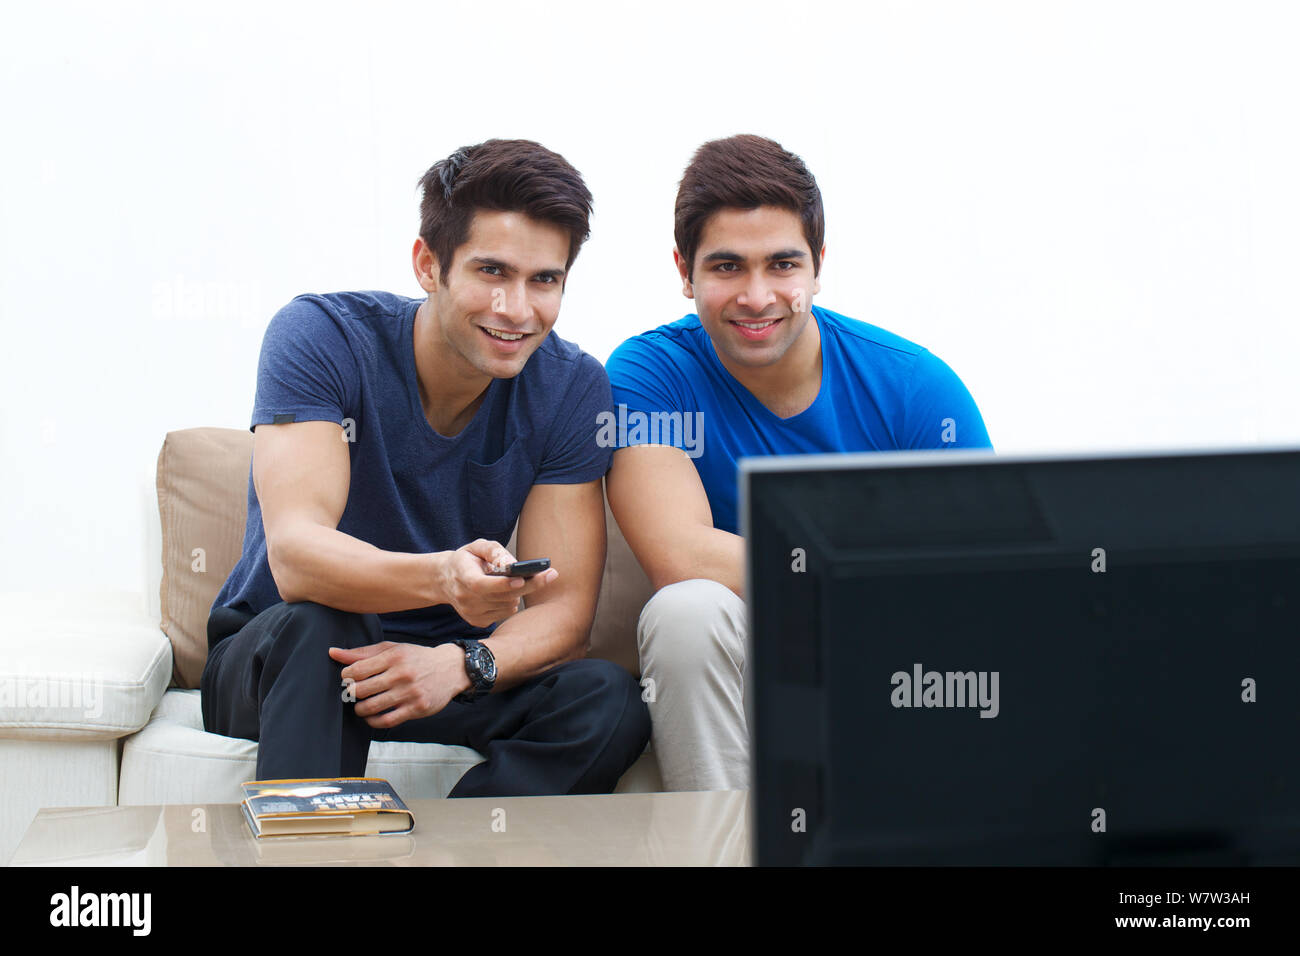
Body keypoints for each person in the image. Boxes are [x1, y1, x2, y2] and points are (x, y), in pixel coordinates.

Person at [201, 139, 651, 796]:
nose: (517, 310)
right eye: (491, 272)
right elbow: (295, 558)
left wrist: (463, 663)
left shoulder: (569, 386)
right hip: (285, 663)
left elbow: (564, 612)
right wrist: (444, 578)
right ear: (427, 264)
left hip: (435, 673)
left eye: (544, 280)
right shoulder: (320, 336)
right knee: (326, 622)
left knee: (607, 700)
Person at [605, 134, 993, 791]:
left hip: (889, 654)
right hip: (750, 658)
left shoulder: (914, 386)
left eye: (782, 265)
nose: (757, 297)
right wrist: (867, 565)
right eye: (727, 267)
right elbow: (680, 556)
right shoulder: (650, 374)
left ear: (817, 265)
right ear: (684, 269)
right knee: (685, 611)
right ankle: (720, 846)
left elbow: (975, 575)